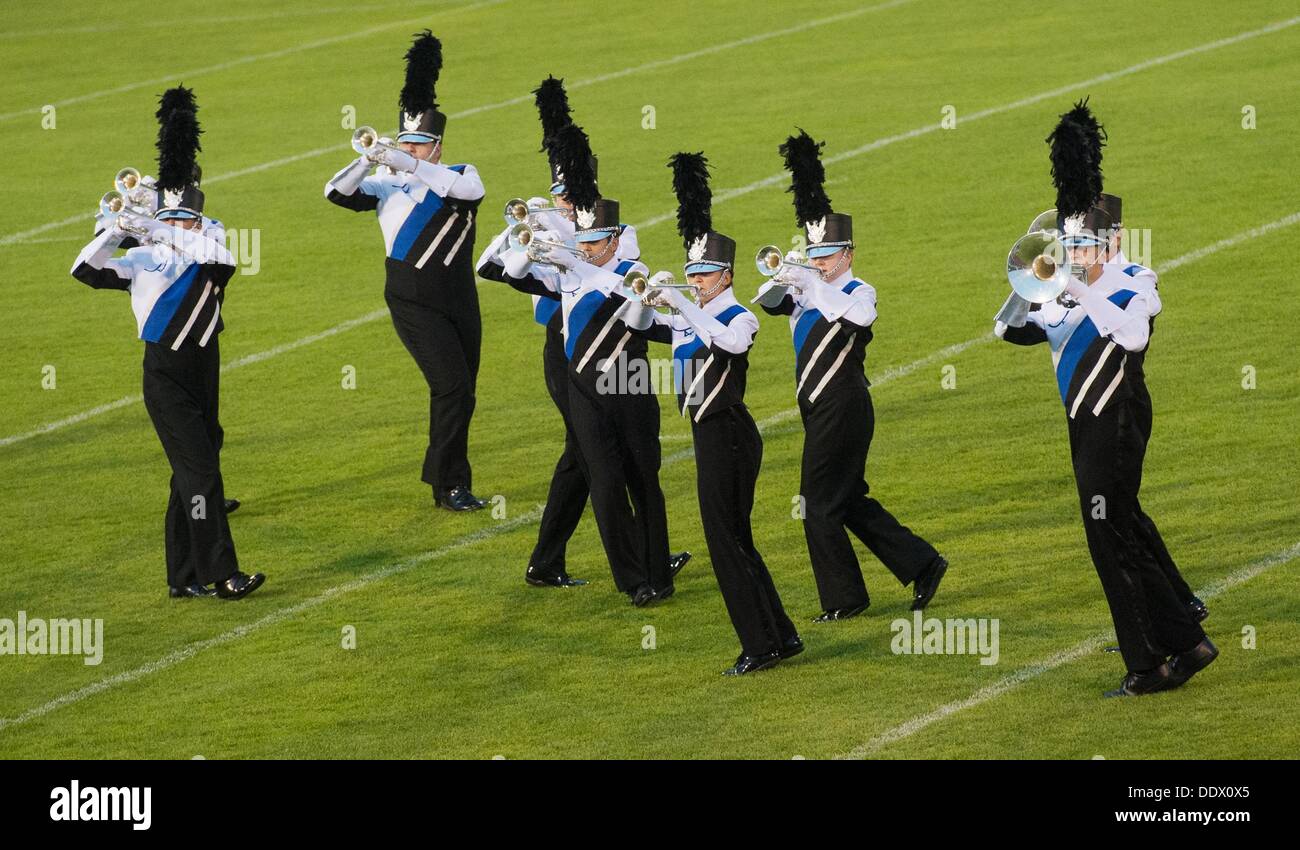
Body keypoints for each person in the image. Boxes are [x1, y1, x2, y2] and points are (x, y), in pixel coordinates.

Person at [993, 99, 1216, 696]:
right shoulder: (1065, 285)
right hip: (1081, 418)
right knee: (1115, 523)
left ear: (1113, 240)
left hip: (1118, 416)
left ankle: (1155, 658)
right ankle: (1180, 632)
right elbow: (1006, 331)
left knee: (1108, 525)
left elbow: (1133, 334)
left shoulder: (1134, 281)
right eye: (1071, 244)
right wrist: (1032, 286)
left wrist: (1078, 289)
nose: (1077, 255)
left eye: (1086, 244)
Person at [69, 86, 264, 600]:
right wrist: (118, 227)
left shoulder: (210, 249)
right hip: (165, 374)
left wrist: (157, 223)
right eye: (172, 218)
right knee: (200, 476)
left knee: (192, 474)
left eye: (185, 219)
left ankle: (183, 578)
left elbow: (214, 249)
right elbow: (83, 268)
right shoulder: (140, 261)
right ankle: (223, 574)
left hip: (206, 367)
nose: (177, 225)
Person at [755, 130, 948, 623]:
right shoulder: (804, 284)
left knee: (817, 503)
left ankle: (844, 598)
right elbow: (768, 302)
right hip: (817, 405)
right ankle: (922, 563)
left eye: (828, 254)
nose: (819, 261)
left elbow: (856, 320)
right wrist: (789, 274)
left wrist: (814, 284)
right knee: (849, 498)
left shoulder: (860, 289)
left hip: (844, 404)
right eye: (815, 253)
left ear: (848, 253)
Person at [493, 123, 685, 606]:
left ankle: (656, 568)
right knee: (603, 479)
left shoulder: (629, 271)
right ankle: (634, 580)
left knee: (644, 477)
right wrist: (536, 237)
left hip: (632, 381)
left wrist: (581, 261)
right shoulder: (566, 268)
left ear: (615, 240)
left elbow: (649, 312)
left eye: (597, 241)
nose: (588, 247)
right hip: (580, 384)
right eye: (585, 240)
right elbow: (505, 272)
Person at [636, 152, 801, 674]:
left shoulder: (737, 314)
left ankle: (760, 645)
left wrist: (684, 305)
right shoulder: (692, 316)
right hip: (708, 434)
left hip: (730, 433)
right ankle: (782, 636)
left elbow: (728, 344)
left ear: (725, 274)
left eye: (703, 273)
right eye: (691, 272)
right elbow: (635, 323)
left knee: (726, 541)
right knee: (735, 540)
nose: (696, 279)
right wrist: (649, 291)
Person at [325, 30, 488, 512]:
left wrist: (407, 164)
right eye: (408, 144)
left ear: (437, 146)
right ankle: (449, 483)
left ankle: (448, 479)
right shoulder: (383, 185)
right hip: (412, 298)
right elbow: (335, 193)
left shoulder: (460, 173)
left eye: (421, 145)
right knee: (450, 385)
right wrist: (369, 156)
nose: (413, 151)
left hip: (460, 296)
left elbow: (465, 194)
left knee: (465, 391)